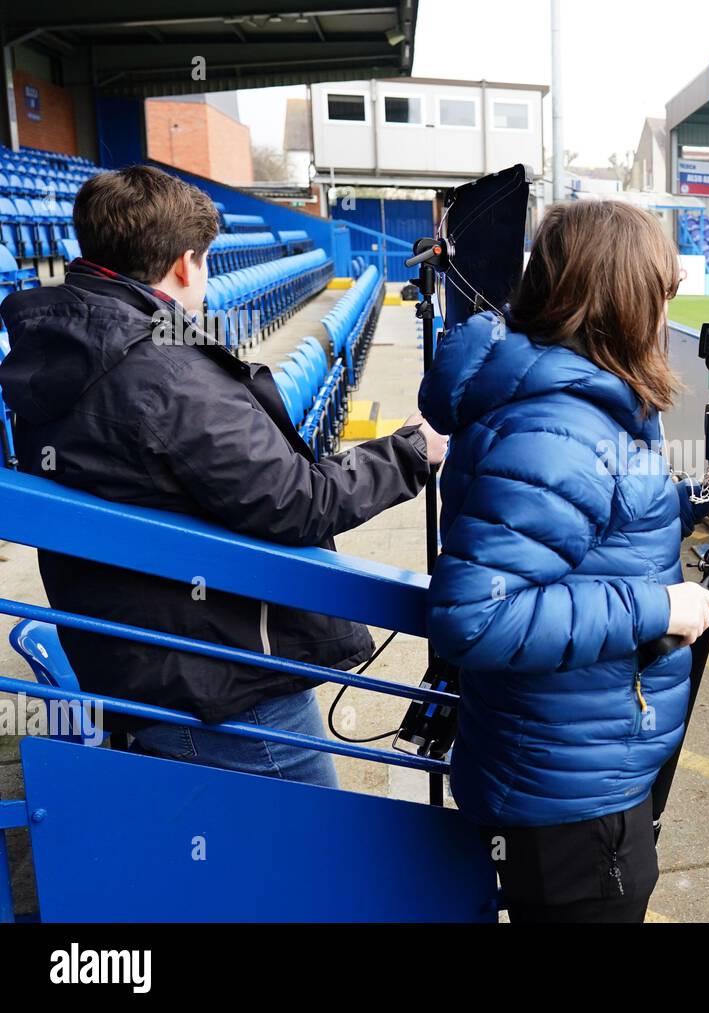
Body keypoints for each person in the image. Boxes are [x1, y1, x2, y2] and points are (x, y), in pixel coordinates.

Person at [0, 165, 444, 786]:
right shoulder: (162, 376)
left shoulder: (63, 339)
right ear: (186, 264)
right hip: (216, 679)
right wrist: (412, 450)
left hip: (143, 653)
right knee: (309, 851)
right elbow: (299, 502)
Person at [419, 199, 709, 923]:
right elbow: (475, 616)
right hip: (567, 804)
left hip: (562, 771)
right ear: (620, 298)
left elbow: (579, 525)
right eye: (657, 297)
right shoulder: (562, 425)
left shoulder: (559, 392)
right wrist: (659, 607)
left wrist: (685, 500)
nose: (661, 319)